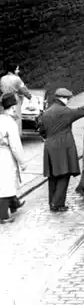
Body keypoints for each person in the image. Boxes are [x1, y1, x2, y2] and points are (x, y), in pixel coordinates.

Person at [41, 87, 84, 212]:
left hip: (49, 146)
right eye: (67, 99)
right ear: (62, 98)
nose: (68, 101)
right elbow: (81, 111)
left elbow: (42, 131)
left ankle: (52, 203)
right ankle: (58, 203)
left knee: (53, 176)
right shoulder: (65, 112)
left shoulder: (47, 112)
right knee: (64, 175)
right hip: (63, 146)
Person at [0, 93, 26, 223]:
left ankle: (13, 203)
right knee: (7, 183)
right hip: (5, 155)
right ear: (13, 107)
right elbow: (15, 146)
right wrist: (22, 162)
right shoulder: (10, 123)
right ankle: (3, 215)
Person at [0, 60, 32, 135]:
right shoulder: (17, 79)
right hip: (14, 100)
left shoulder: (2, 79)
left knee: (4, 117)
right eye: (17, 69)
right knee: (15, 118)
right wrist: (29, 96)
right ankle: (15, 135)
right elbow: (23, 89)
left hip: (3, 100)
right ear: (13, 70)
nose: (18, 71)